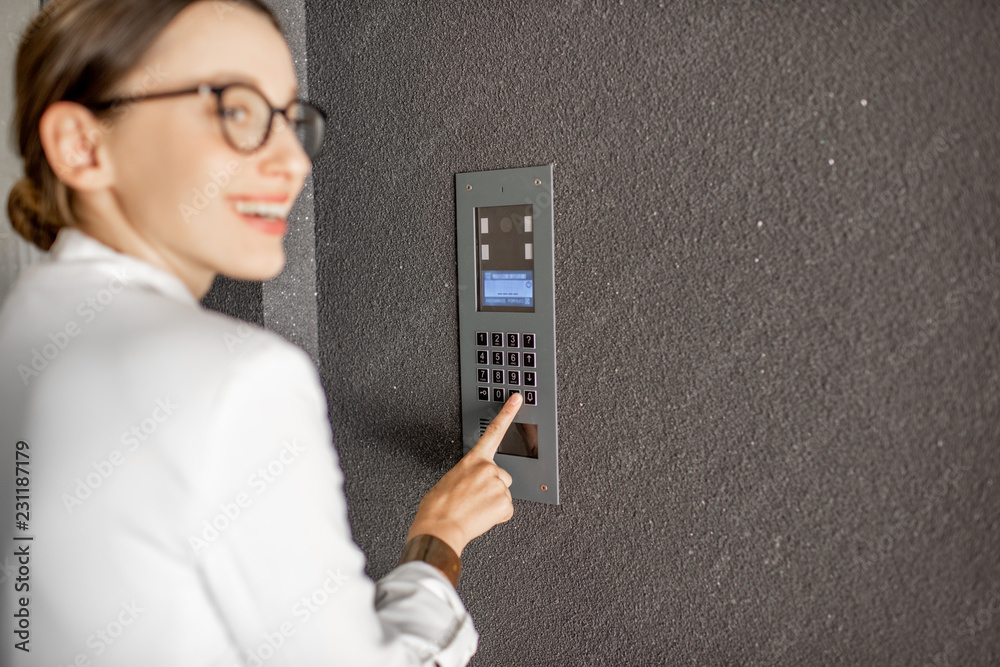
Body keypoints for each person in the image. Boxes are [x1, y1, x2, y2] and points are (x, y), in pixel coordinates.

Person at [0, 1, 521, 665]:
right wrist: (439, 537)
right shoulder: (237, 377)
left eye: (291, 120)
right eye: (236, 111)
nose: (293, 162)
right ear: (82, 144)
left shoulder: (24, 327)